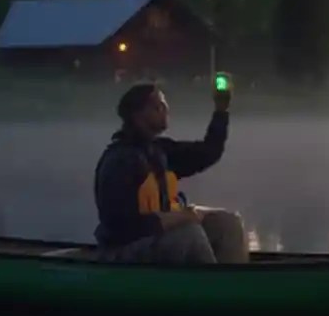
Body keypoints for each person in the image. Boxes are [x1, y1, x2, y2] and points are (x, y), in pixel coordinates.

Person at [93, 81, 248, 264]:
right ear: (137, 115)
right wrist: (180, 217)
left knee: (228, 224)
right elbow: (121, 228)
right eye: (158, 106)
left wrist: (221, 110)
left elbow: (208, 152)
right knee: (190, 234)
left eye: (165, 105)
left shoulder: (159, 151)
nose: (165, 109)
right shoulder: (118, 162)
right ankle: (213, 289)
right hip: (121, 251)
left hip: (157, 238)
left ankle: (231, 282)